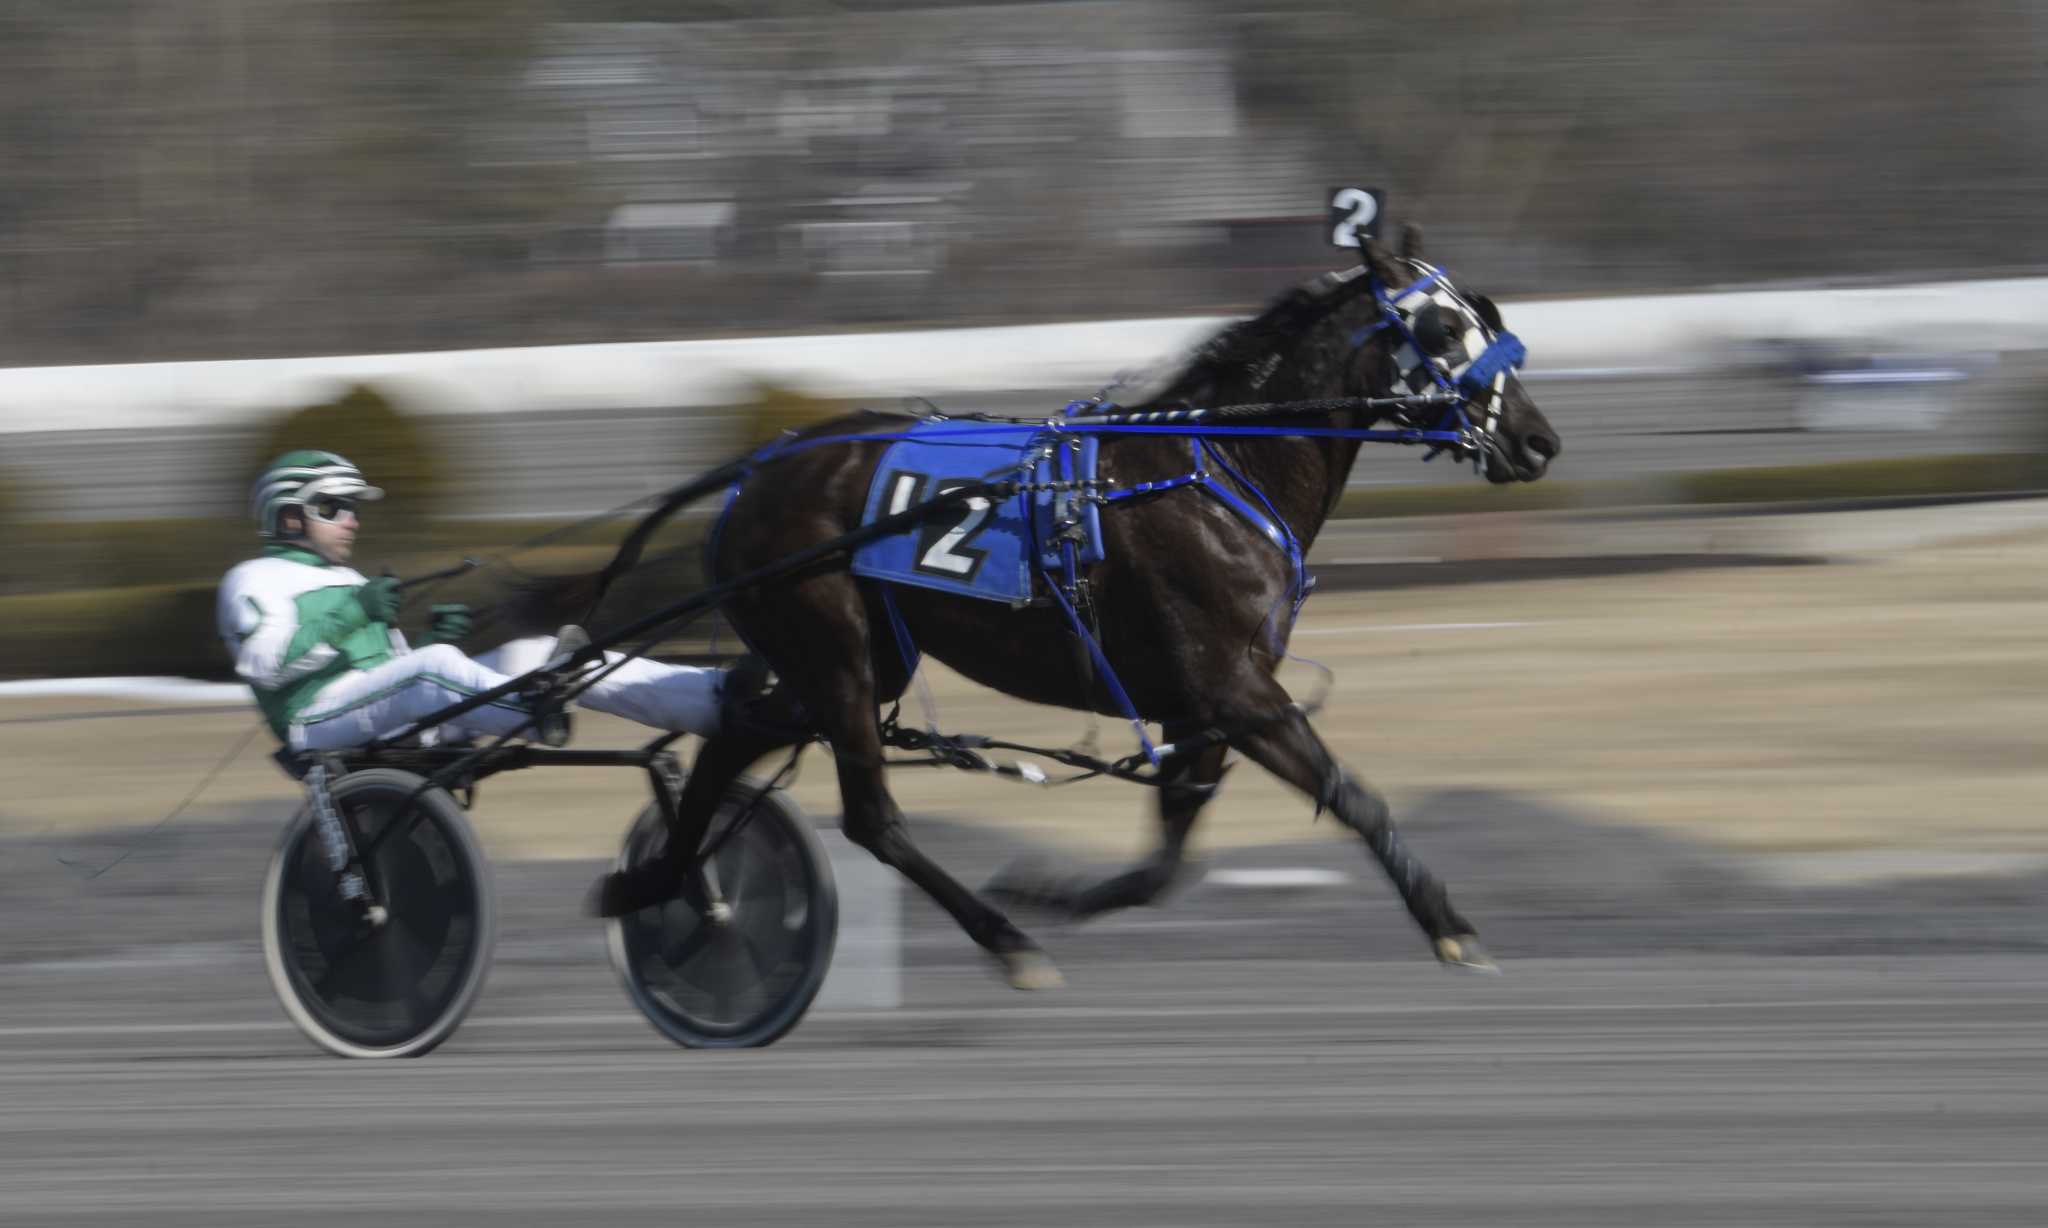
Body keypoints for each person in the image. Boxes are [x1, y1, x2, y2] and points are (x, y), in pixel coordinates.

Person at [218, 449, 745, 752]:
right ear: (290, 517)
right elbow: (266, 665)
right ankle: (531, 711)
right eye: (334, 508)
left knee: (536, 652)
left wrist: (432, 639)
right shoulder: (253, 579)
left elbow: (391, 671)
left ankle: (712, 698)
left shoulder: (349, 579)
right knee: (432, 668)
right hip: (316, 722)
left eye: (353, 508)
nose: (352, 520)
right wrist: (358, 615)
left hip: (384, 716)